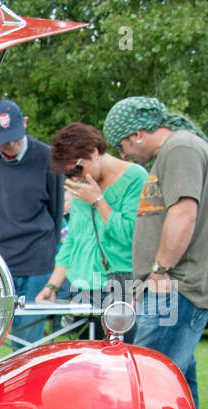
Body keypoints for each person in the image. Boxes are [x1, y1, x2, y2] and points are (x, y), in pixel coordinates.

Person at [104, 97, 208, 409]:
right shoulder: (180, 149)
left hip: (176, 286)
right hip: (178, 285)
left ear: (138, 134)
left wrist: (160, 271)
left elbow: (184, 212)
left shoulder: (181, 148)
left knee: (150, 374)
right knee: (177, 372)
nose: (123, 152)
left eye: (122, 143)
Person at [0, 99, 64, 345]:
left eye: (15, 136)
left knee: (26, 342)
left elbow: (56, 209)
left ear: (25, 123)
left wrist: (49, 253)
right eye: (3, 139)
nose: (11, 144)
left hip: (37, 261)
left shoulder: (49, 158)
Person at [36, 123, 147, 311]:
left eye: (76, 170)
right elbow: (73, 240)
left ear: (94, 152)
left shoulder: (136, 178)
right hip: (82, 286)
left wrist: (98, 200)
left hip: (121, 284)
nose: (75, 178)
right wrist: (52, 285)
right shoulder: (83, 184)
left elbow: (131, 236)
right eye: (68, 175)